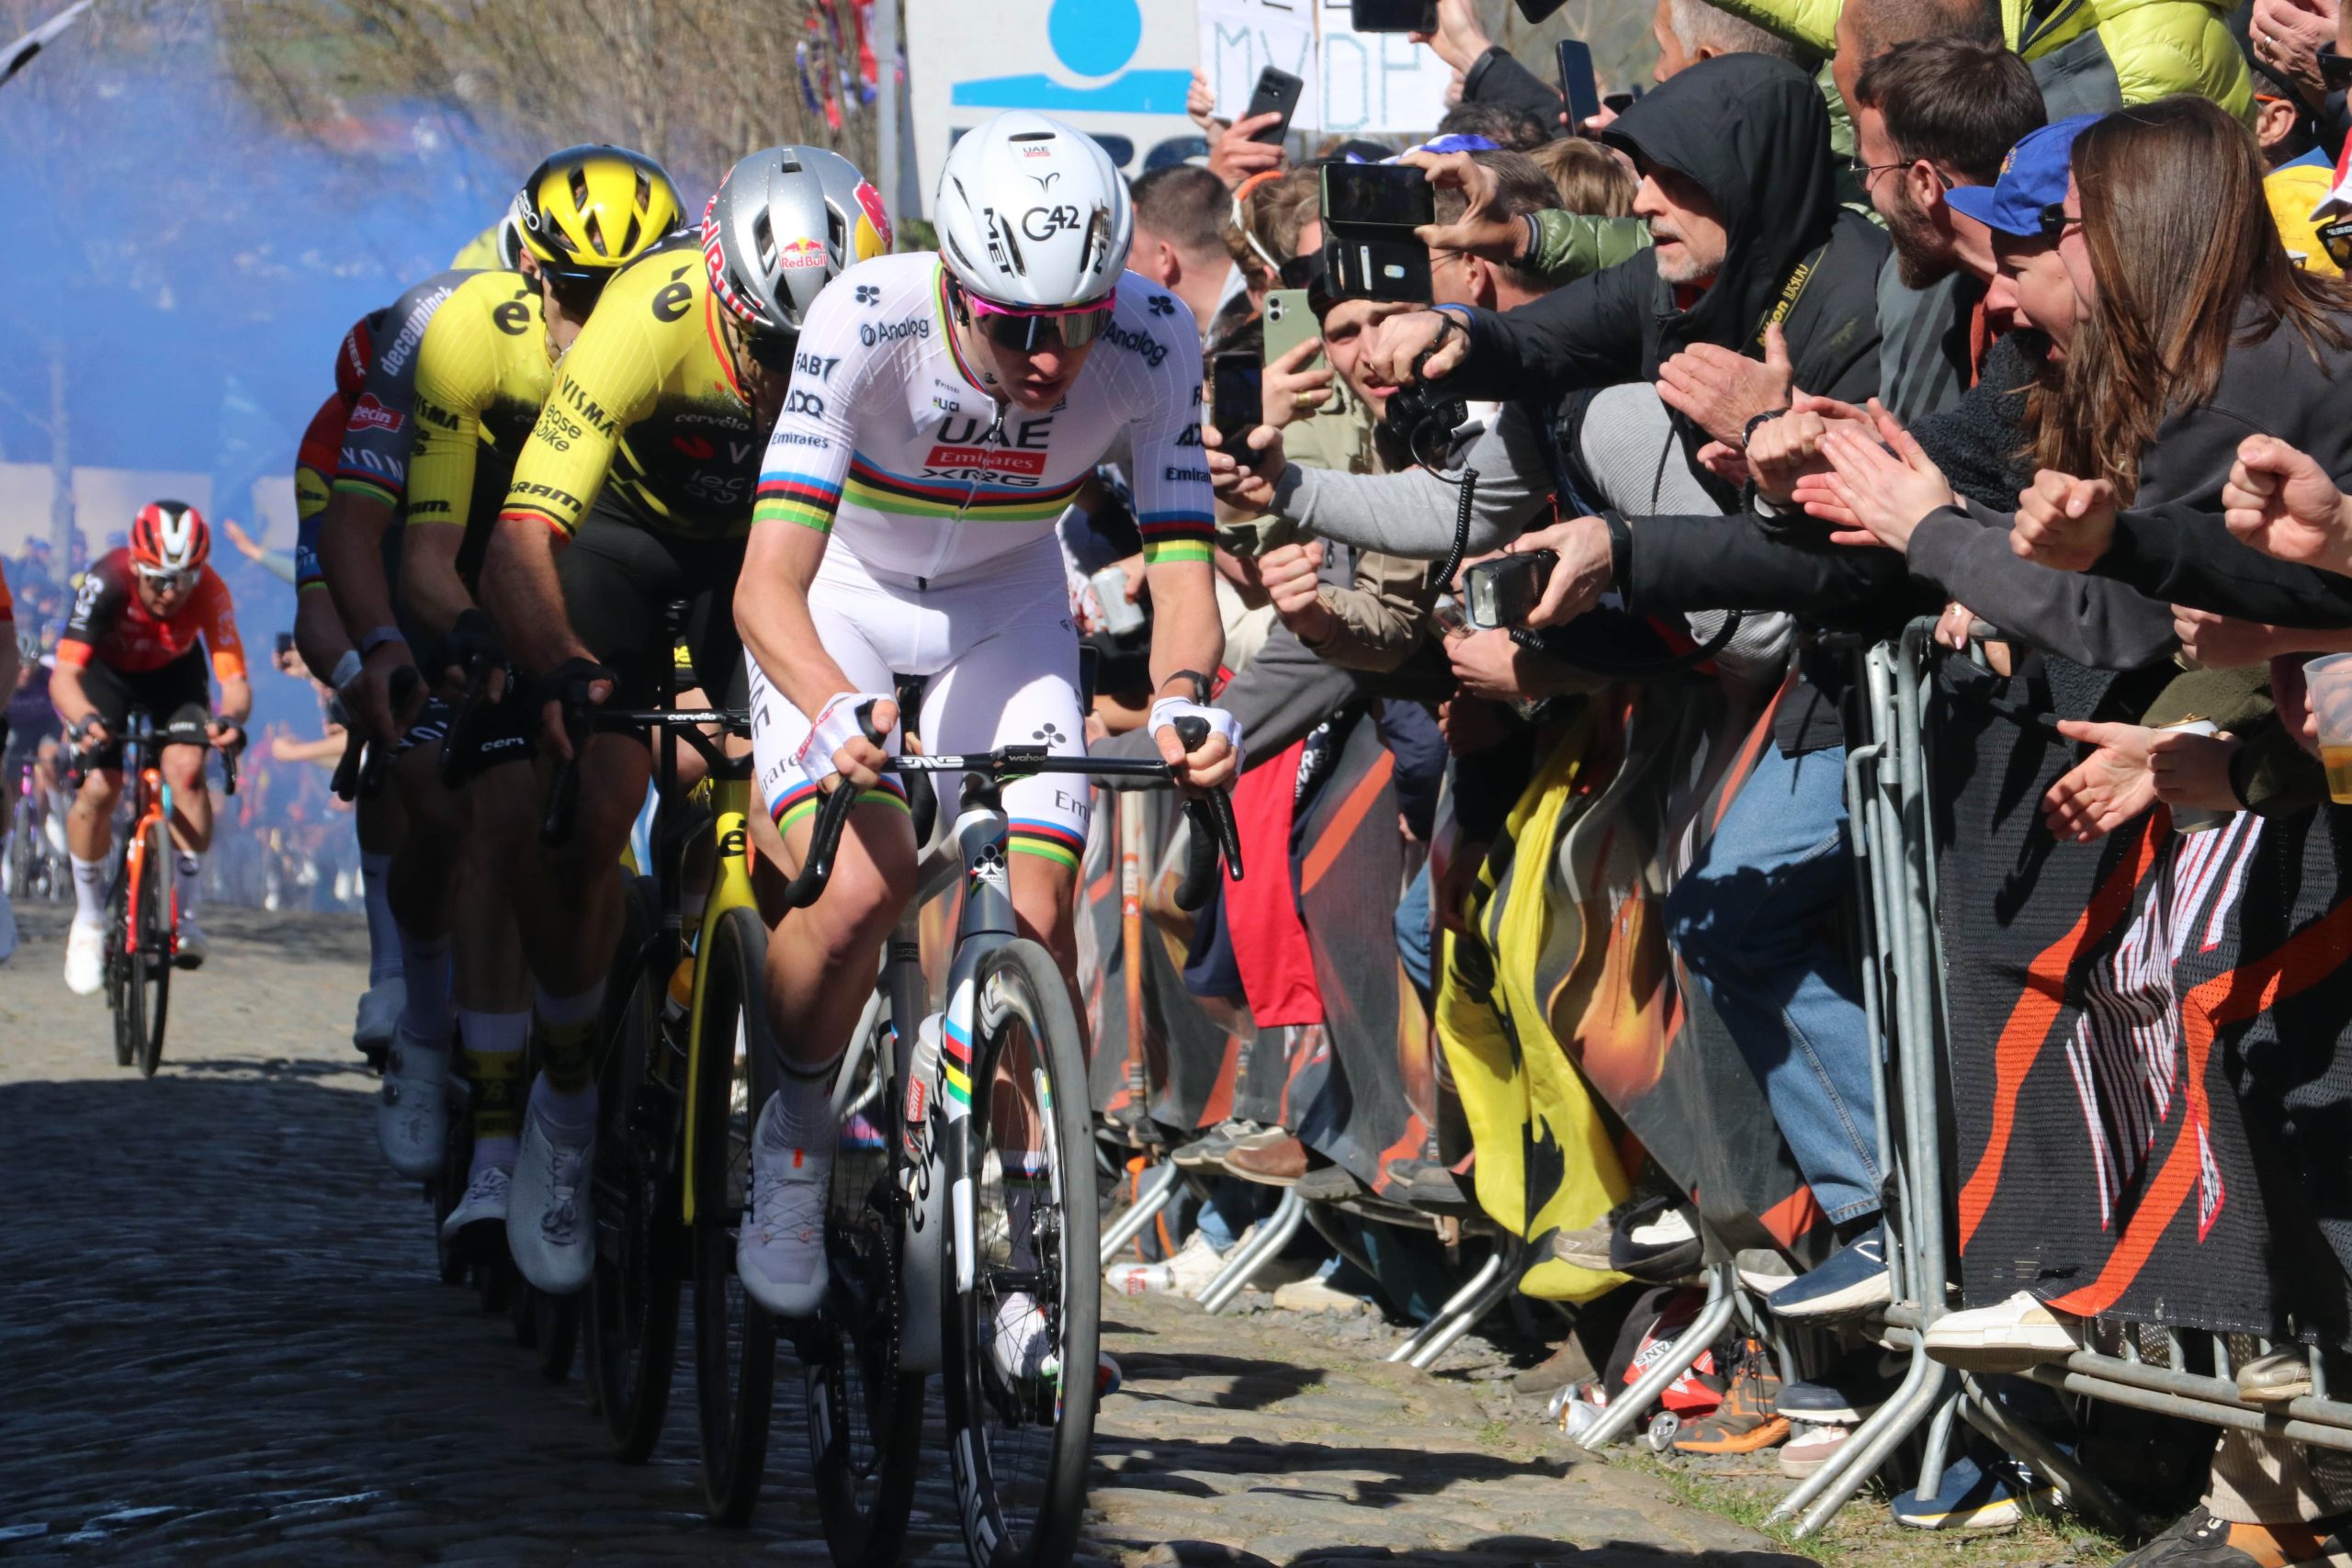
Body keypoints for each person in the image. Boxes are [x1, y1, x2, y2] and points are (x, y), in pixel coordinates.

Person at [731, 111, 1238, 1360]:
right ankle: (793, 1129)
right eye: (1018, 326)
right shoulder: (866, 317)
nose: (1054, 359)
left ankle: (1021, 1256)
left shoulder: (1154, 335)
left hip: (1007, 607)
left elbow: (1185, 568)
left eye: (1075, 322)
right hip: (841, 604)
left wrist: (1182, 692)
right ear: (955, 285)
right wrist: (835, 703)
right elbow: (763, 588)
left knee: (1037, 919)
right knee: (862, 888)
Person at [476, 145, 885, 1297]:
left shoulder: (887, 304)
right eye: (764, 347)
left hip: (773, 559)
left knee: (797, 821)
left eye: (810, 353)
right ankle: (561, 1101)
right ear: (722, 296)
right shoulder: (647, 318)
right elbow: (521, 538)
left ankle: (753, 1047)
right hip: (623, 542)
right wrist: (562, 667)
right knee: (598, 798)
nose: (783, 375)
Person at [373, 145, 684, 1217]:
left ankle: (699, 989)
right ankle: (483, 1111)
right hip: (486, 568)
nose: (597, 322)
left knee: (687, 767)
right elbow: (426, 549)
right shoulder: (470, 339)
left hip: (624, 574)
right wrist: (463, 634)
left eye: (624, 296)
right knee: (482, 816)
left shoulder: (678, 343)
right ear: (532, 274)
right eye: (577, 294)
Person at [51, 503, 250, 992]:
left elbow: (236, 681)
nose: (171, 591)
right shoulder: (106, 580)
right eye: (160, 578)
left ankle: (184, 913)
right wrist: (86, 720)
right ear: (136, 566)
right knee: (101, 786)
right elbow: (65, 677)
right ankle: (91, 919)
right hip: (106, 679)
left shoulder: (211, 590)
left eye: (184, 578)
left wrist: (230, 721)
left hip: (174, 681)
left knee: (186, 771)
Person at [1129, 164, 1249, 349]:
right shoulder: (1269, 304)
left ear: (1164, 258)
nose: (1120, 266)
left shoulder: (1262, 332)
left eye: (1129, 249)